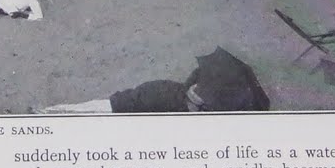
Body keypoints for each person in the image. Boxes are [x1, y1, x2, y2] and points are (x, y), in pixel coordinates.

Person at [38, 48, 271, 114]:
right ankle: (55, 110)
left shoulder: (190, 85)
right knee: (102, 107)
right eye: (196, 107)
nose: (196, 110)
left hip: (151, 92)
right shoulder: (160, 97)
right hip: (141, 98)